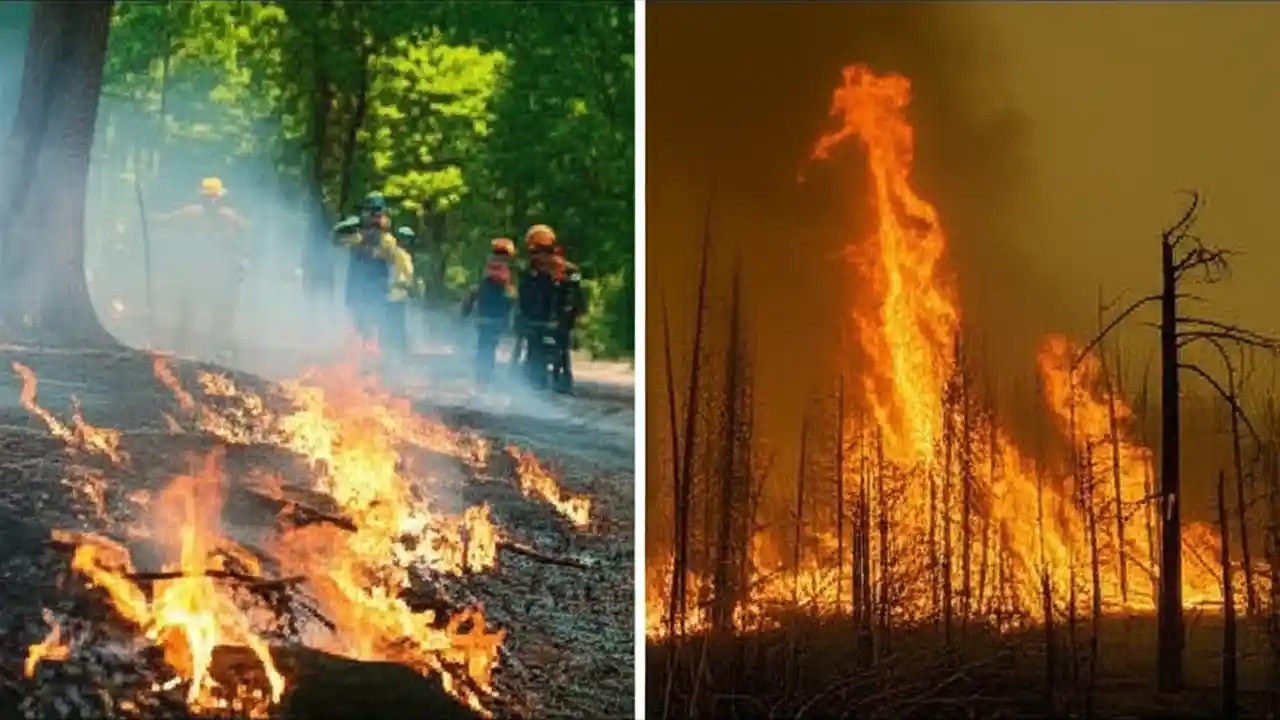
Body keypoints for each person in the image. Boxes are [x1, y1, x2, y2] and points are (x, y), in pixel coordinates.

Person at [153, 177, 248, 360]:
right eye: (209, 198)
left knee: (221, 315)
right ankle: (183, 351)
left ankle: (214, 352)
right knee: (188, 311)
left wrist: (240, 265)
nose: (212, 202)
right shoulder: (191, 214)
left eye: (214, 198)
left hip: (221, 276)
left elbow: (242, 245)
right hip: (198, 272)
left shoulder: (229, 219)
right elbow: (166, 220)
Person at [334, 192, 403, 352]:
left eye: (376, 214)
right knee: (359, 323)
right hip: (356, 288)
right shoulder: (356, 236)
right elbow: (337, 239)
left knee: (377, 324)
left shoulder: (387, 240)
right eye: (369, 213)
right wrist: (350, 227)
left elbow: (390, 256)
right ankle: (359, 353)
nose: (373, 218)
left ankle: (374, 356)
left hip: (377, 289)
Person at [462, 237, 516, 386]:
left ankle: (481, 375)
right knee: (490, 346)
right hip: (497, 313)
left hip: (484, 312)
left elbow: (476, 289)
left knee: (483, 345)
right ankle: (485, 375)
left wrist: (466, 310)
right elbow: (509, 294)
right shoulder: (508, 267)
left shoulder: (487, 265)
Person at [516, 224, 559, 388]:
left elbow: (522, 296)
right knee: (538, 351)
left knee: (539, 351)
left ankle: (552, 380)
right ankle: (546, 381)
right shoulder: (527, 271)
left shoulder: (530, 271)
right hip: (543, 320)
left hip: (546, 319)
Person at [550, 246, 584, 394]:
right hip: (564, 312)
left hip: (558, 312)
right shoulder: (573, 270)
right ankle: (563, 379)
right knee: (563, 347)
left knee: (561, 347)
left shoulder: (547, 268)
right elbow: (577, 290)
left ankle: (558, 378)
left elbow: (576, 289)